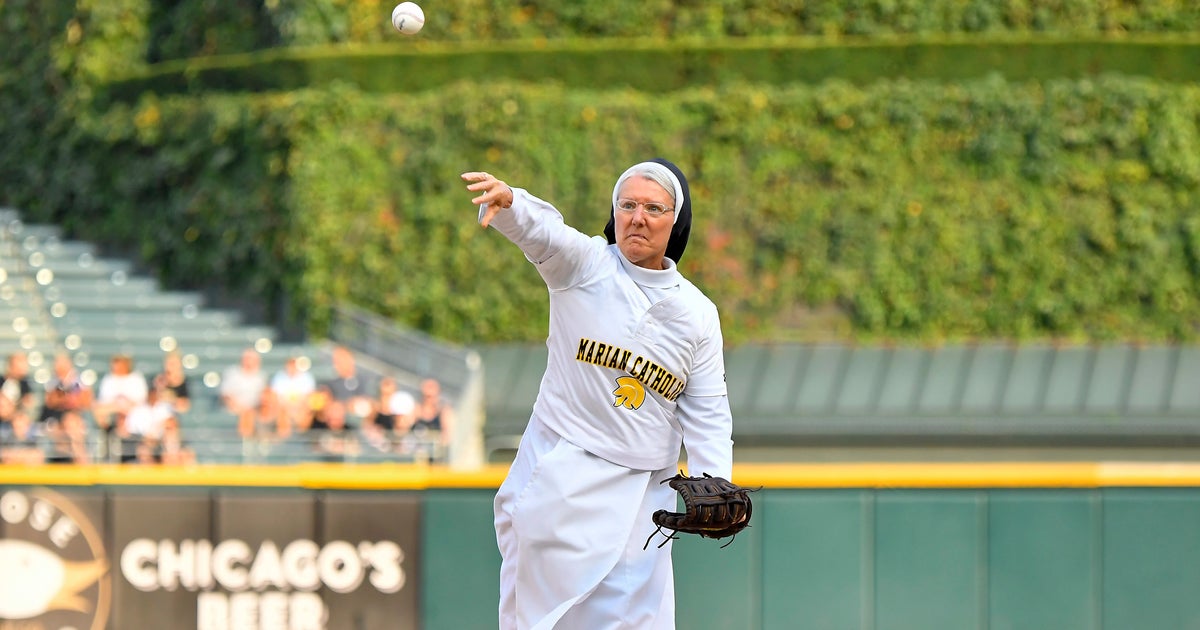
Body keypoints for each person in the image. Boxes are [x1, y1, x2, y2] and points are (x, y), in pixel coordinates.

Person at [462, 159, 735, 629]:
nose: (637, 216)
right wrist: (512, 205)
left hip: (645, 495)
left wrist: (717, 479)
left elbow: (708, 409)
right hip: (562, 476)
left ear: (676, 222)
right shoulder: (586, 266)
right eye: (627, 204)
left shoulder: (697, 314)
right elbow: (547, 234)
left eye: (653, 207)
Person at [92, 354, 149, 461]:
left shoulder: (136, 379)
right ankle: (107, 443)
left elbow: (138, 401)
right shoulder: (109, 379)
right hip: (114, 411)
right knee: (99, 411)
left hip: (132, 412)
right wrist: (118, 406)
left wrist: (122, 406)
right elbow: (104, 402)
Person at [220, 348, 266, 437]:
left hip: (254, 410)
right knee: (246, 414)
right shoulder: (232, 373)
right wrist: (241, 408)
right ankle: (245, 438)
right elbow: (225, 395)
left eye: (251, 358)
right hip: (235, 408)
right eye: (247, 358)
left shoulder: (261, 377)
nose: (248, 361)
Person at [40, 352, 94, 427]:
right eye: (57, 363)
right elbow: (50, 401)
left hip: (78, 415)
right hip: (57, 416)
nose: (58, 366)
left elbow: (87, 401)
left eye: (61, 363)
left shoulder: (80, 380)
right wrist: (64, 399)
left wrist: (73, 400)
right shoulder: (53, 382)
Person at [269, 355, 316, 432]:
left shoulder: (307, 377)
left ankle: (302, 435)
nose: (292, 367)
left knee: (306, 414)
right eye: (290, 364)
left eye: (294, 364)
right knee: (281, 414)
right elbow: (274, 397)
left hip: (301, 408)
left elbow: (310, 397)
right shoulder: (279, 377)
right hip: (283, 408)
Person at [153, 350, 192, 416]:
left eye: (174, 363)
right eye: (169, 363)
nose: (171, 366)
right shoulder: (159, 380)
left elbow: (185, 406)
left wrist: (171, 398)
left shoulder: (186, 382)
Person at [0, 351, 37, 418]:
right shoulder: (1, 381)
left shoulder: (25, 385)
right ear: (10, 366)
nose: (23, 369)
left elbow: (29, 403)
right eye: (19, 366)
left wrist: (14, 406)